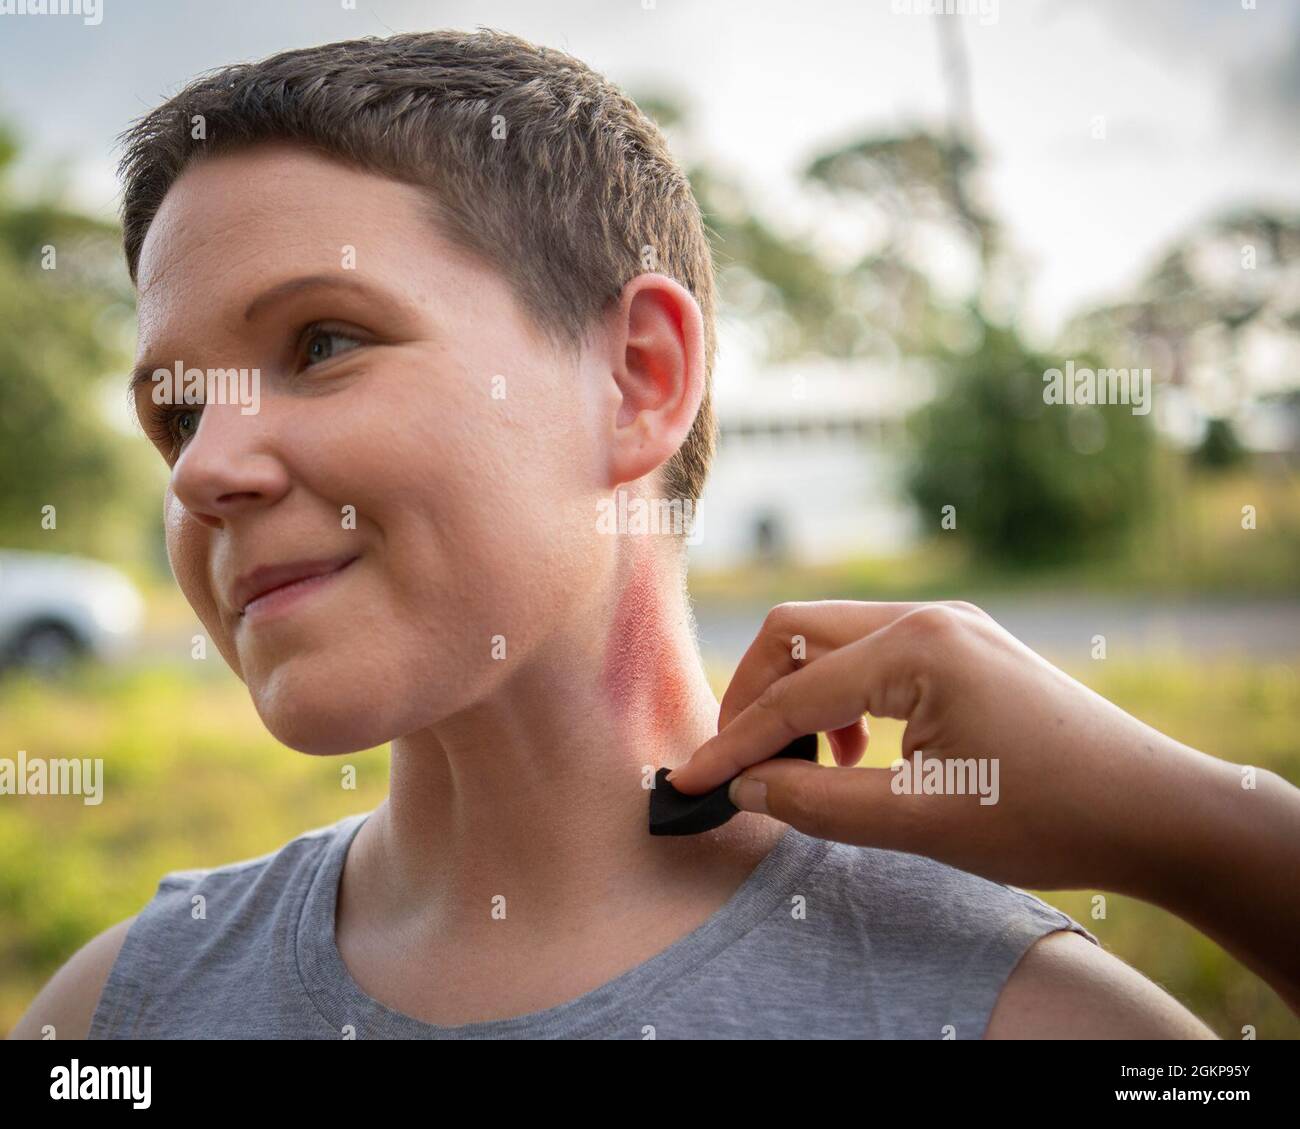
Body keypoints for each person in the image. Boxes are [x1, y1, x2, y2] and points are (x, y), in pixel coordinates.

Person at [8, 29, 1293, 1041]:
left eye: (323, 343)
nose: (205, 470)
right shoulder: (117, 1015)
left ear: (637, 378)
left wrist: (1187, 824)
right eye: (175, 411)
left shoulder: (1012, 1014)